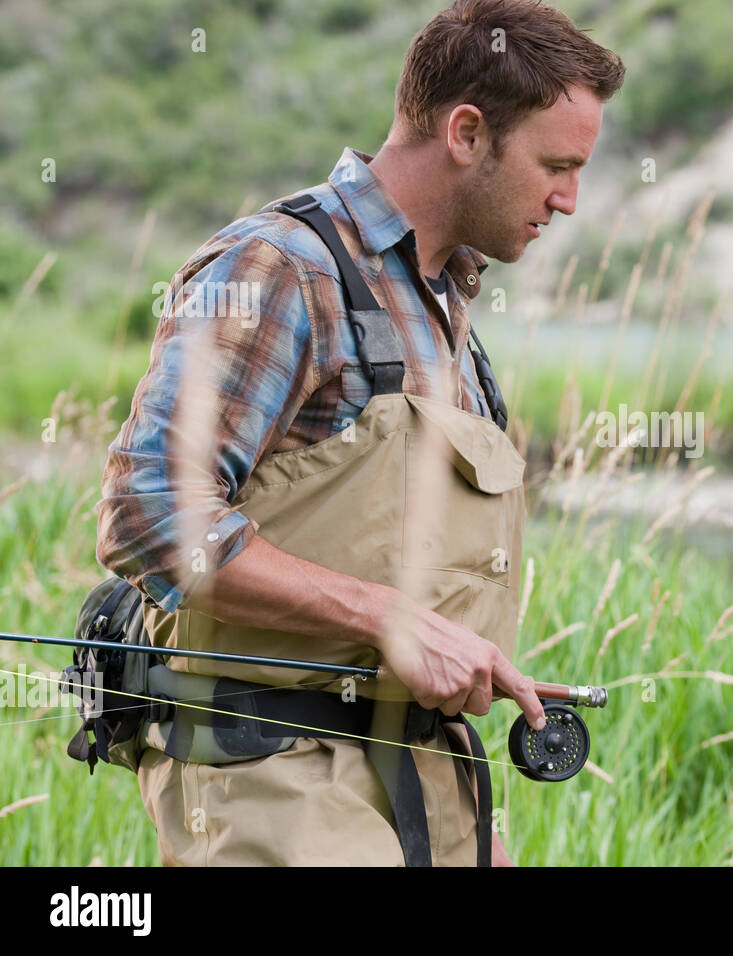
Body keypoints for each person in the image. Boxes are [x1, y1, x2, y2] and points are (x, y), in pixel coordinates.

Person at [95, 0, 624, 866]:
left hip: (419, 781)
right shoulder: (279, 270)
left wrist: (472, 825)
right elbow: (149, 514)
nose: (568, 200)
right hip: (275, 781)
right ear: (465, 132)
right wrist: (386, 617)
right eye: (556, 166)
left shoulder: (445, 305)